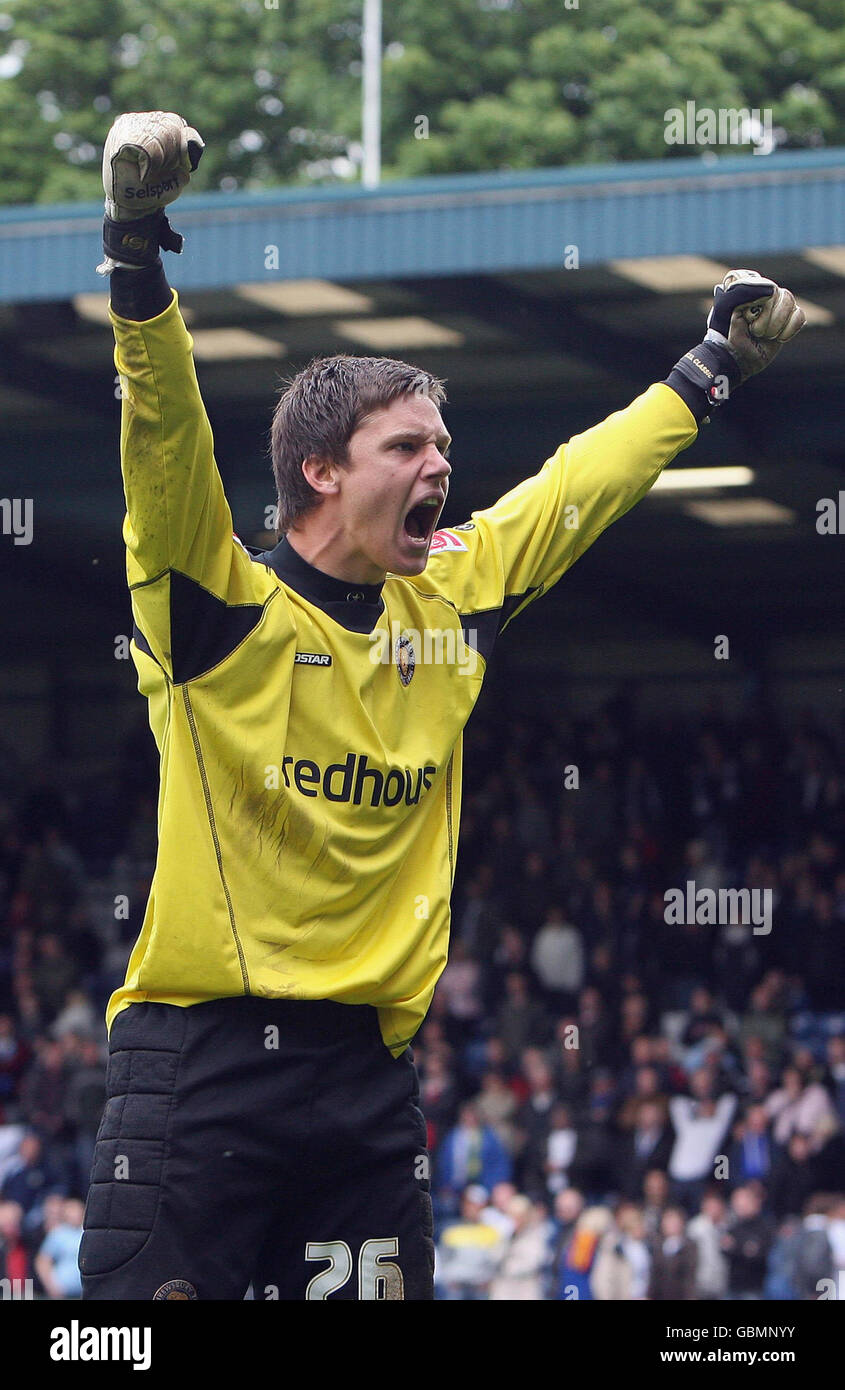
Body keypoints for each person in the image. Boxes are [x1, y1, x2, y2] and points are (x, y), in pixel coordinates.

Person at [79, 110, 805, 1301]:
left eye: (443, 445)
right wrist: (132, 243)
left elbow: (575, 490)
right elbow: (162, 436)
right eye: (407, 446)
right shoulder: (217, 606)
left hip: (366, 1084)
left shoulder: (447, 596)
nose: (439, 466)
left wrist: (707, 368)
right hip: (197, 1063)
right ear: (320, 471)